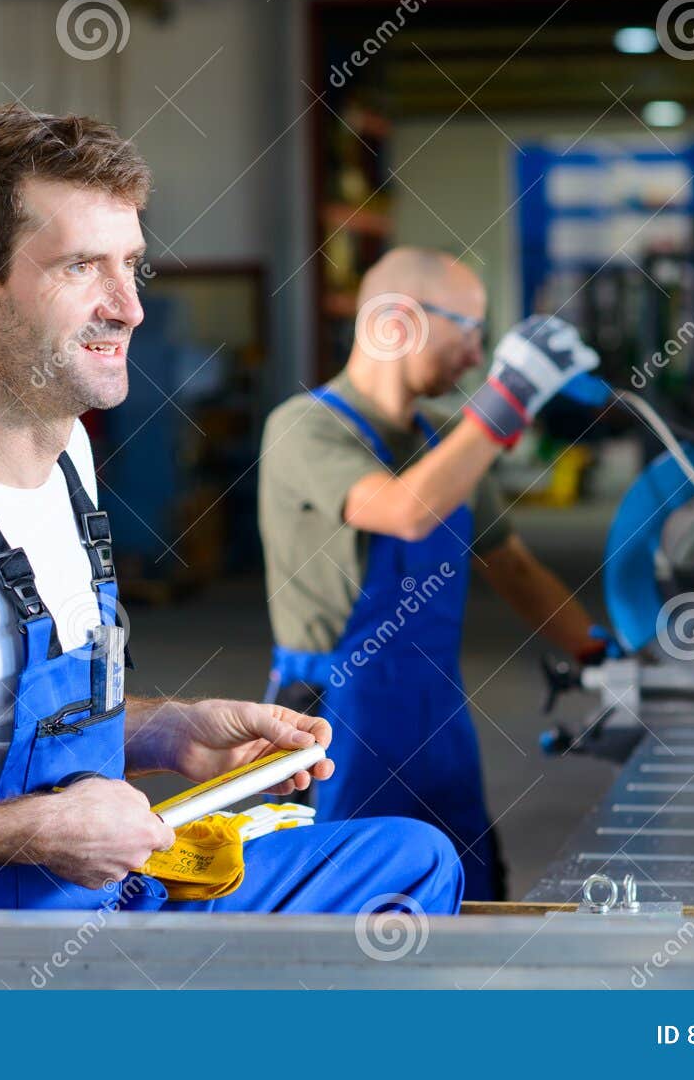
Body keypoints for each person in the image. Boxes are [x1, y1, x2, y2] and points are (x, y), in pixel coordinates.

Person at [0, 106, 462, 989]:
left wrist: (169, 732)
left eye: (131, 265)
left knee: (414, 860)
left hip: (102, 908)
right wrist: (30, 831)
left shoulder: (69, 455)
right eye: (82, 268)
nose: (131, 306)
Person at [258, 247, 608, 901]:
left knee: (466, 887)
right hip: (332, 722)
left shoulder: (448, 438)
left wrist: (603, 657)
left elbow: (515, 568)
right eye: (471, 331)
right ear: (404, 320)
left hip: (438, 713)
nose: (477, 357)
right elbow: (403, 511)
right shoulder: (302, 428)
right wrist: (506, 401)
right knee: (336, 902)